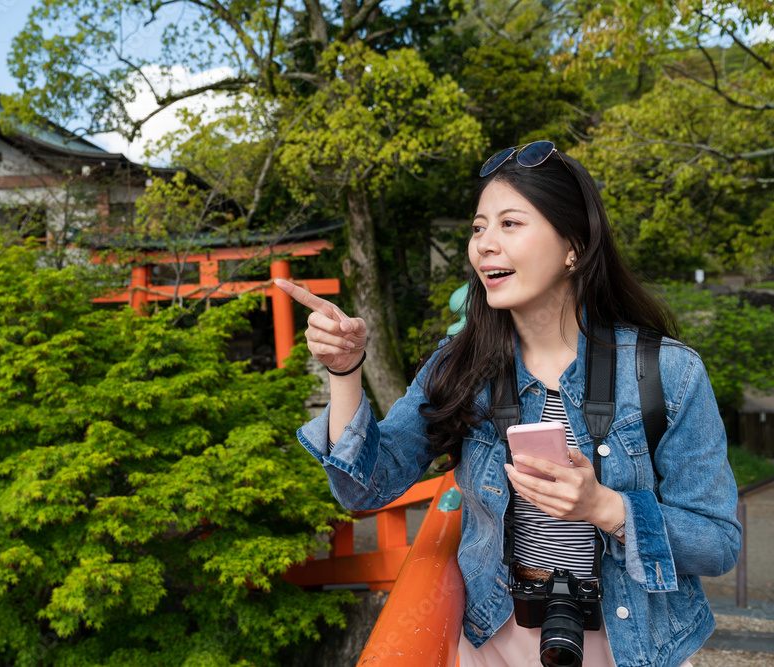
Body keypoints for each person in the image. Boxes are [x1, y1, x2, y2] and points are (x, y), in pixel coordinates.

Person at [274, 141, 742, 667]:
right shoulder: (460, 367)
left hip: (634, 644)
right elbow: (365, 489)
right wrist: (345, 372)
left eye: (510, 224)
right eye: (478, 228)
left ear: (574, 245)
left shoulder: (667, 372)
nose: (484, 245)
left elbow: (720, 542)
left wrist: (604, 509)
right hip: (496, 639)